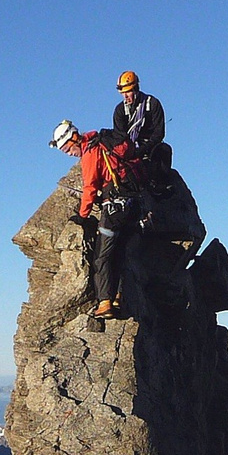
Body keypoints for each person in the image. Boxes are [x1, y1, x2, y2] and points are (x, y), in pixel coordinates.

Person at [50, 119, 140, 319]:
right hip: (132, 204)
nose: (68, 153)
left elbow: (90, 187)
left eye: (66, 149)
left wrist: (83, 215)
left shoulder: (90, 153)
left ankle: (105, 303)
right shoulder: (101, 143)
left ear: (74, 138)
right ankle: (118, 296)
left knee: (102, 256)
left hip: (114, 208)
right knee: (119, 253)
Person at [111, 71, 165, 161]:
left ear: (136, 89)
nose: (125, 96)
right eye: (122, 93)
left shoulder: (152, 103)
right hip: (128, 151)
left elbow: (159, 133)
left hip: (151, 149)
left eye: (128, 92)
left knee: (165, 151)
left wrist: (143, 149)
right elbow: (119, 135)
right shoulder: (120, 110)